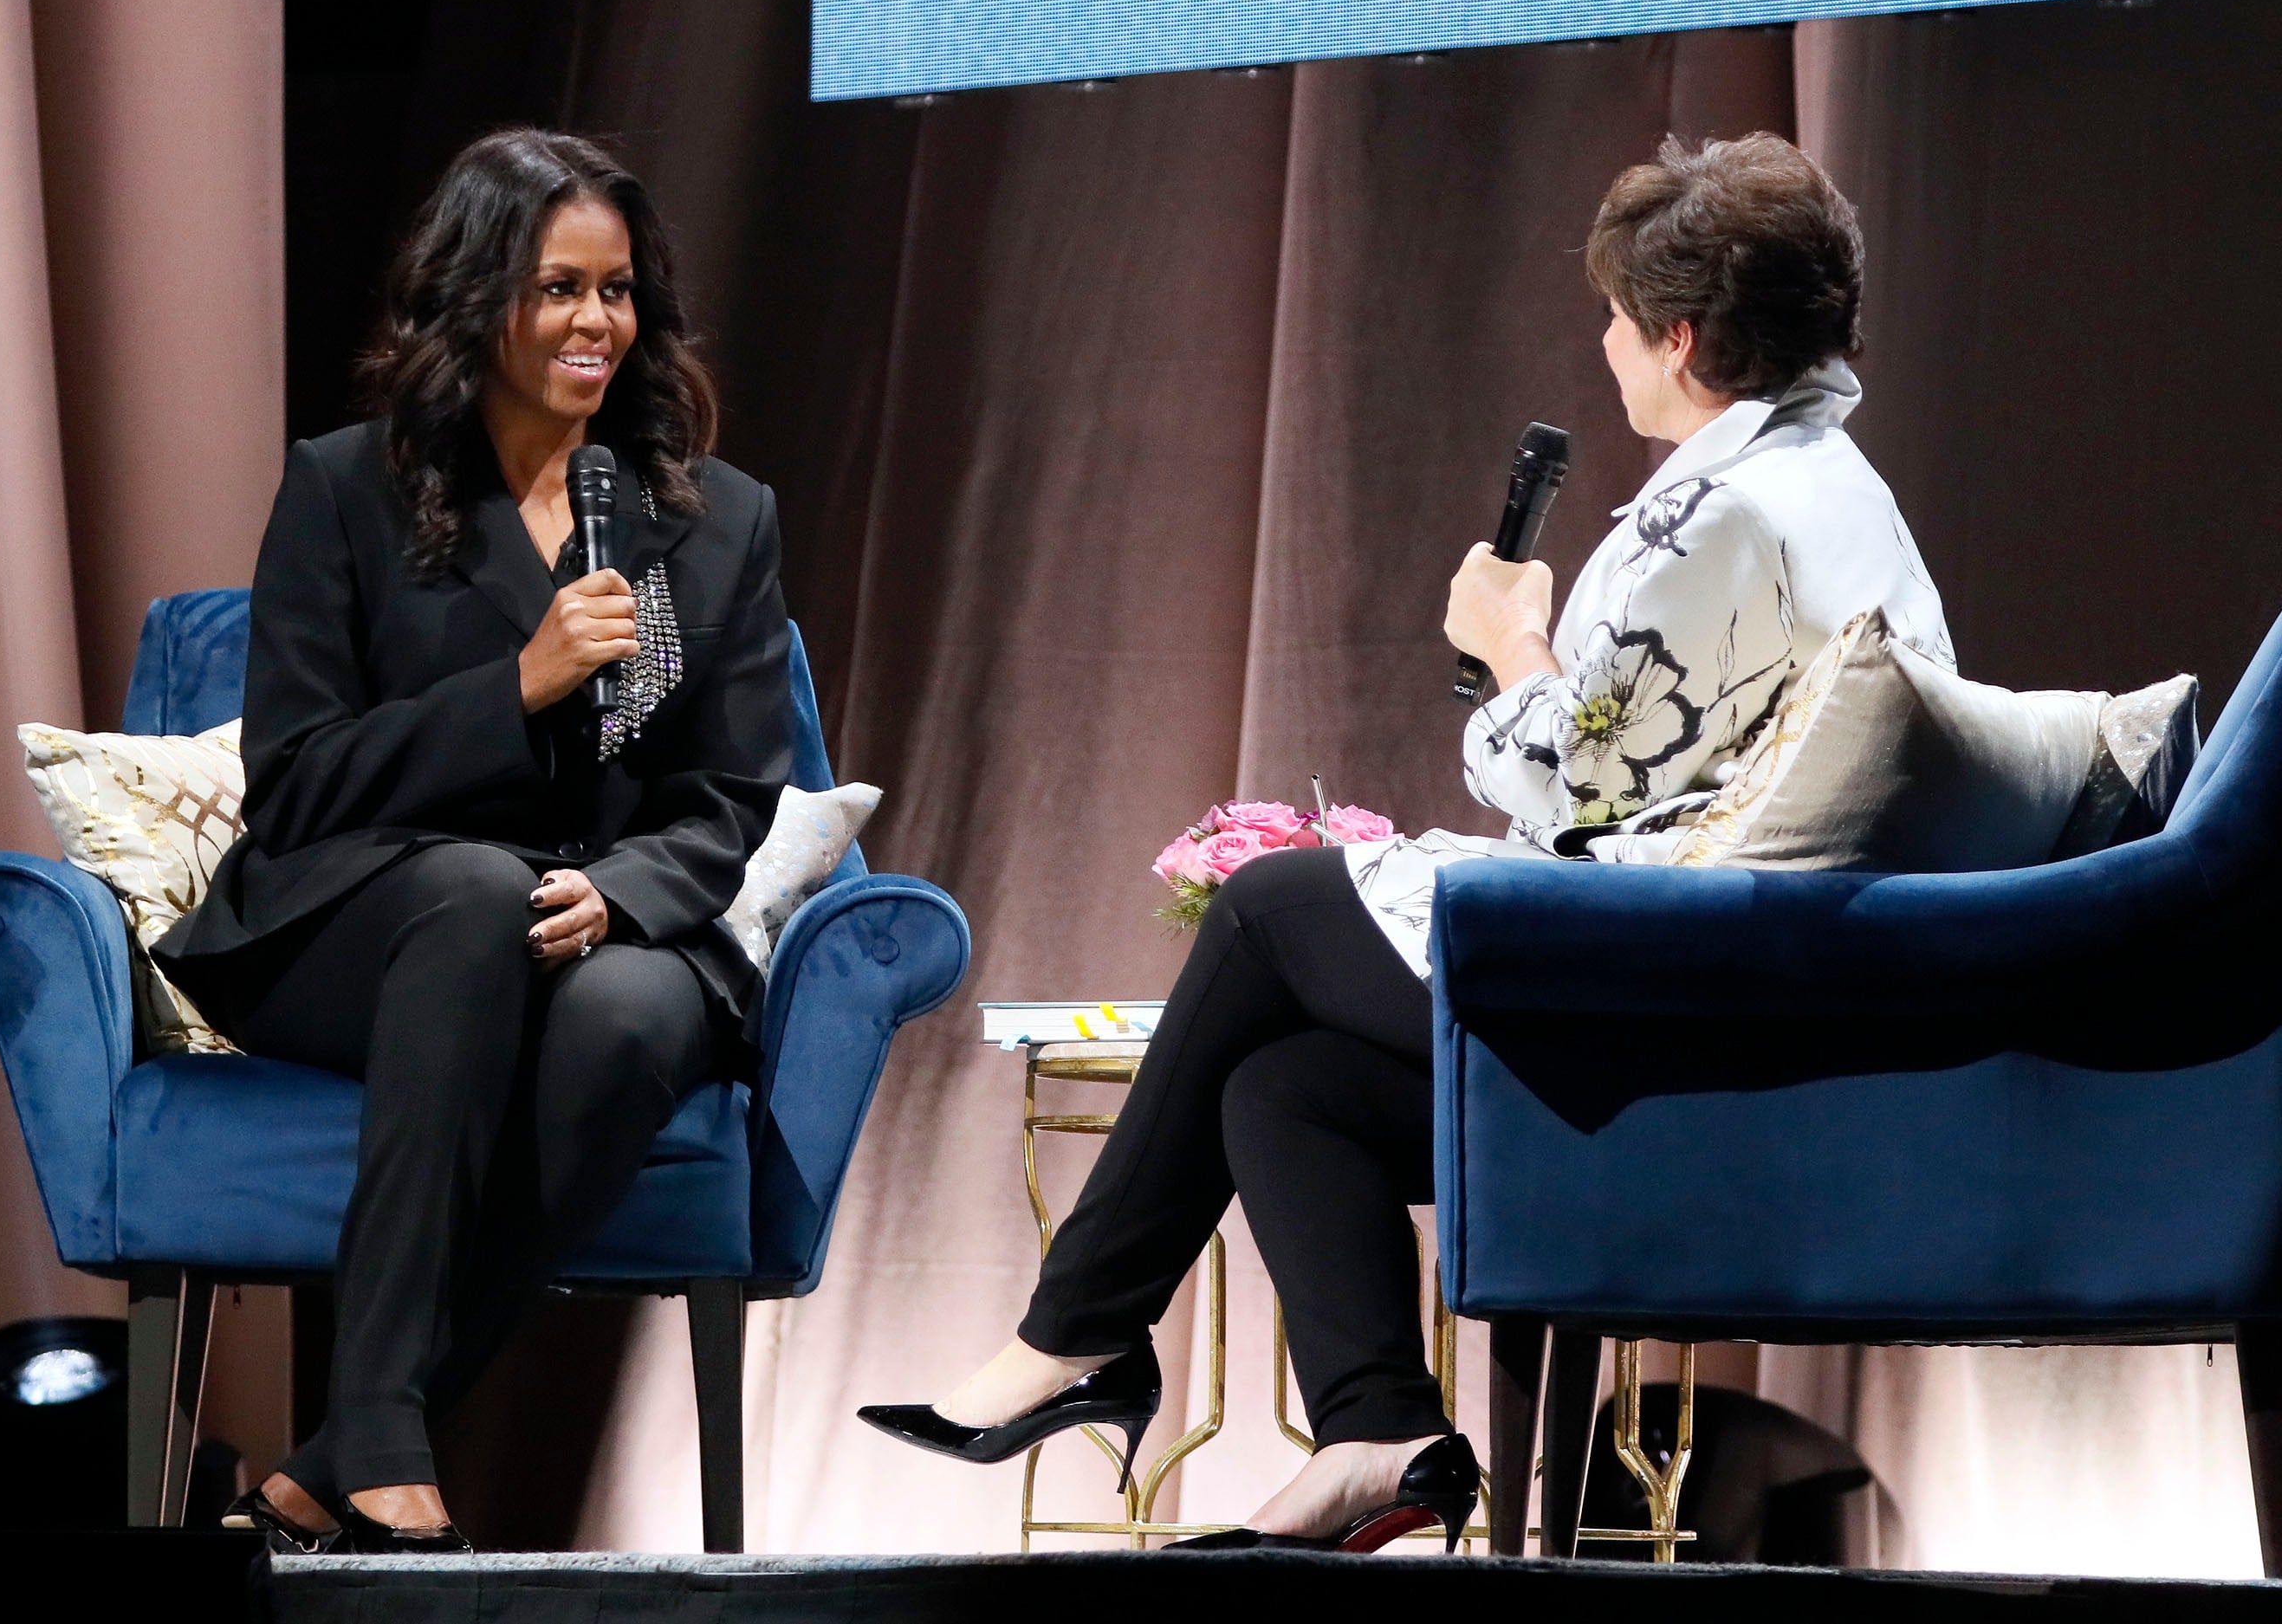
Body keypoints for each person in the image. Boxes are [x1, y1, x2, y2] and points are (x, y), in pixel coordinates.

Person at [855, 132, 1951, 1552]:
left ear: (1681, 336)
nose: (1607, 349)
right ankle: (1380, 1432)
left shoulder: (1726, 507)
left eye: (1619, 321)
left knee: (1271, 904)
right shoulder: (1837, 482)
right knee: (1283, 1085)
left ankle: (1078, 1333)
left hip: (1688, 991)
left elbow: (1565, 785)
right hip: (1738, 963)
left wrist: (1510, 646)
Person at [152, 128, 795, 1553]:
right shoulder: (343, 491)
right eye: (556, 287)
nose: (593, 324)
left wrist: (625, 895)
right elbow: (298, 779)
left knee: (637, 1018)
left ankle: (350, 1444)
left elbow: (732, 795)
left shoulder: (712, 517)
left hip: (602, 925)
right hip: (358, 917)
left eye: (615, 290)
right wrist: (515, 688)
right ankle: (377, 1423)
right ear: (476, 297)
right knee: (464, 891)